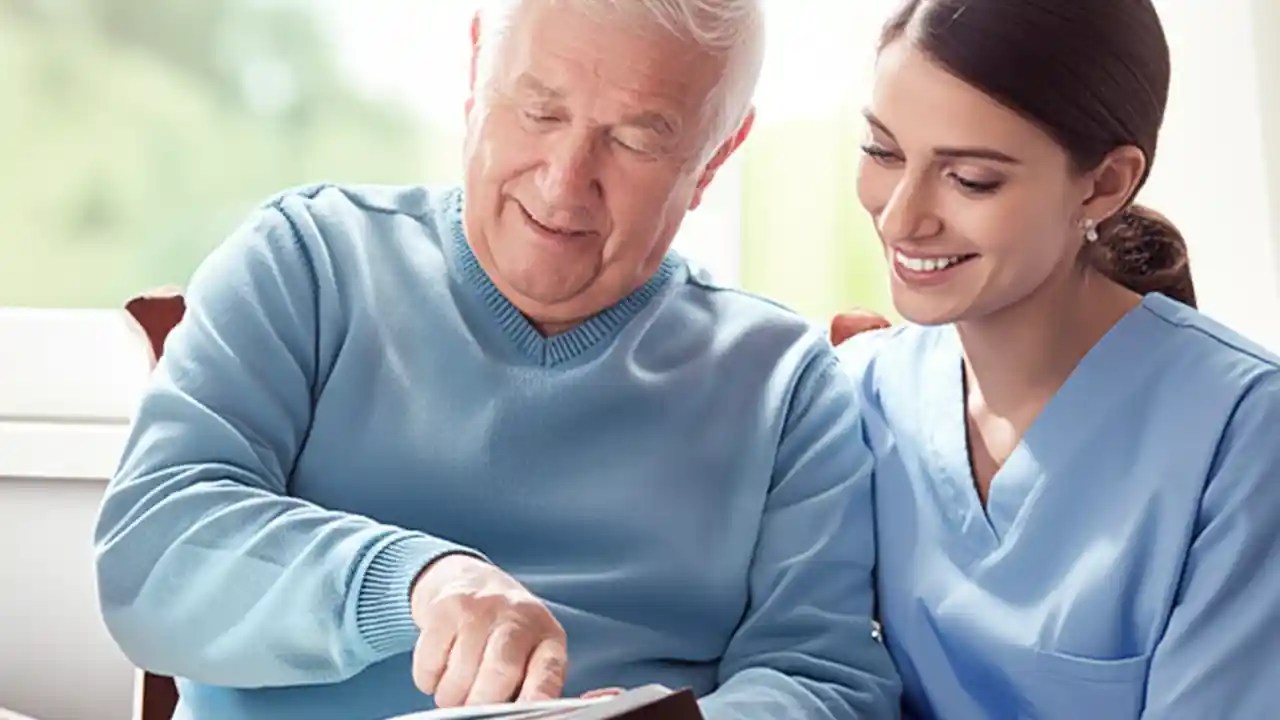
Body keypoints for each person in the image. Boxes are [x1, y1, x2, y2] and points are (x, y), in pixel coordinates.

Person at [92, 1, 901, 718]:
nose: (563, 182)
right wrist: (417, 583)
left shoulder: (782, 381)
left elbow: (825, 681)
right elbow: (150, 554)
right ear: (479, 68)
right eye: (540, 111)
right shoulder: (305, 263)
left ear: (718, 154)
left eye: (633, 140)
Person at [831, 0, 1280, 717]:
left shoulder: (1243, 436)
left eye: (970, 178)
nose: (900, 216)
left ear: (1103, 184)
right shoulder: (858, 396)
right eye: (884, 152)